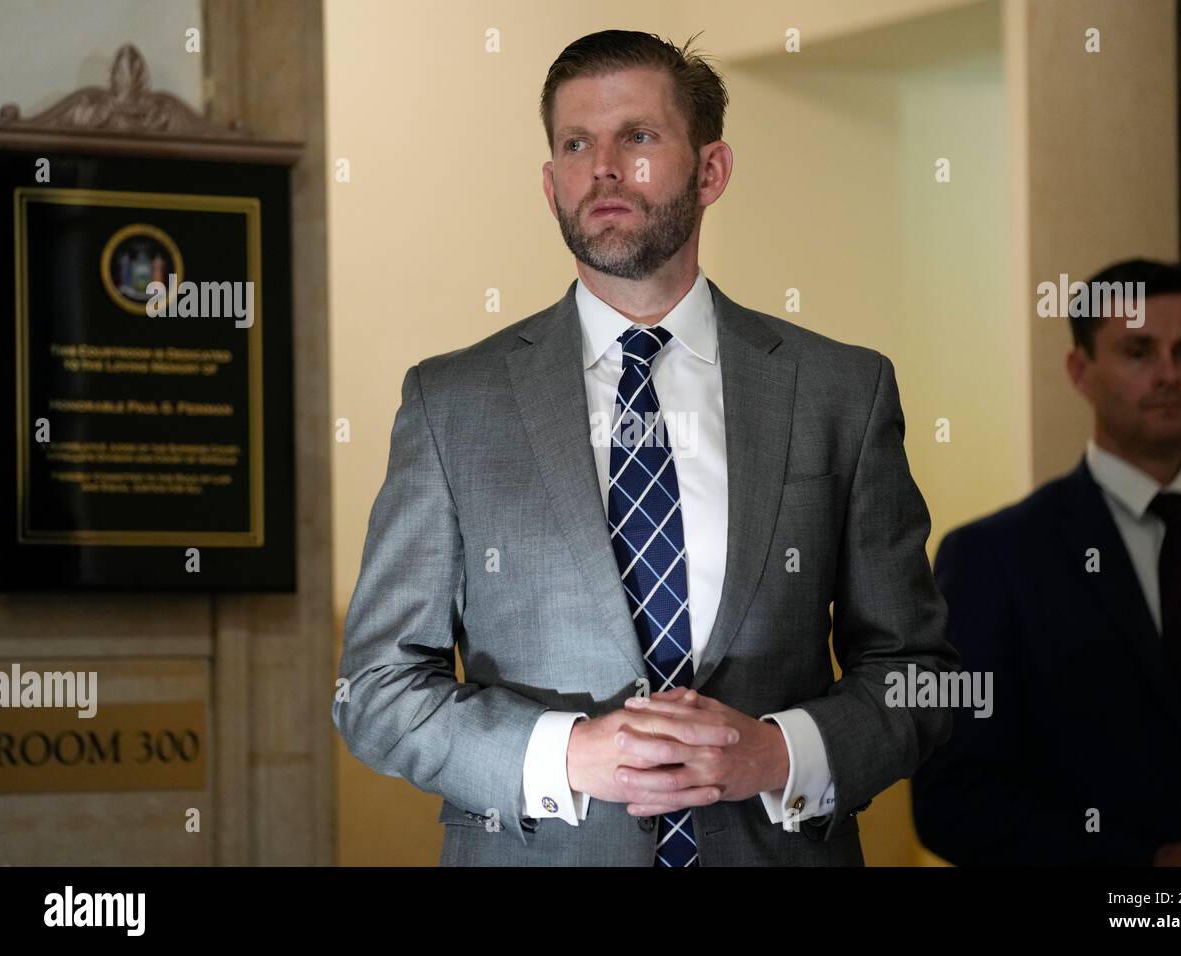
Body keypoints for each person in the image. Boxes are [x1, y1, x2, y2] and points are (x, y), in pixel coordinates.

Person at [334, 29, 957, 867]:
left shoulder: (843, 390)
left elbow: (916, 676)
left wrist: (779, 755)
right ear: (550, 182)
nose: (603, 169)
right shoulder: (451, 404)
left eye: (638, 137)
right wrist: (566, 755)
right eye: (576, 144)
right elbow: (374, 692)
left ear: (711, 171)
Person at [912, 259, 1181, 866]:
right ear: (1080, 371)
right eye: (1139, 351)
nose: (1169, 375)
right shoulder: (996, 559)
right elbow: (953, 799)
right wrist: (1148, 865)